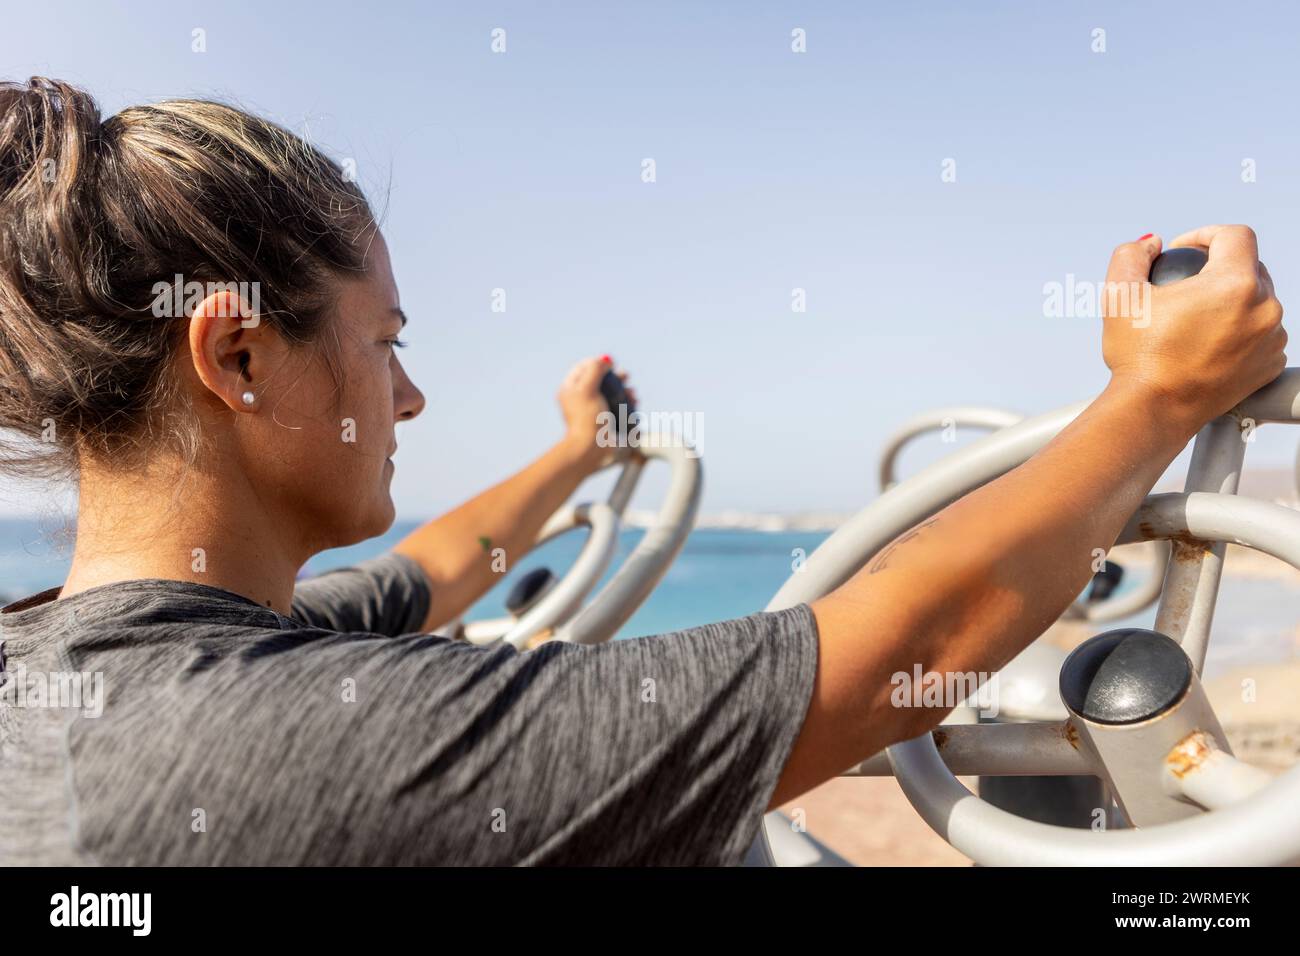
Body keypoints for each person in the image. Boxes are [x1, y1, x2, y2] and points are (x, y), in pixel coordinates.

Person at [0, 78, 1285, 866]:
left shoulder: (100, 664)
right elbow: (907, 642)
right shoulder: (279, 740)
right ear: (234, 351)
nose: (409, 395)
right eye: (385, 343)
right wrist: (1158, 392)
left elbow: (433, 575)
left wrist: (578, 452)